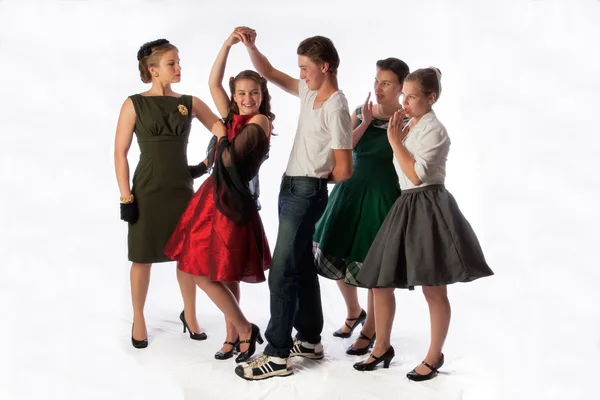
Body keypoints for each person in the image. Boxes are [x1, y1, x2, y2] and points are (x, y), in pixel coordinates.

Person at [352, 68, 494, 381]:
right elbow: (403, 171)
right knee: (379, 279)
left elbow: (417, 174)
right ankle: (382, 347)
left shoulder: (435, 130)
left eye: (412, 96)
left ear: (431, 98)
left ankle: (434, 355)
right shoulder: (408, 123)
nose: (405, 101)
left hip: (428, 204)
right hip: (405, 203)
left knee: (433, 287)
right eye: (405, 95)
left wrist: (393, 141)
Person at [232, 27, 354, 380]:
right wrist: (252, 47)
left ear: (325, 66)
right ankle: (311, 340)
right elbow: (269, 74)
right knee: (299, 265)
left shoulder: (335, 105)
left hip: (306, 191)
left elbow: (344, 169)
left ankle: (278, 354)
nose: (300, 74)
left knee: (282, 270)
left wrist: (313, 181)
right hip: (290, 187)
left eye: (305, 68)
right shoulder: (308, 92)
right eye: (299, 68)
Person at [164, 30, 273, 363]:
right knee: (203, 269)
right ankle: (238, 332)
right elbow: (213, 84)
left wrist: (220, 131)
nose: (247, 98)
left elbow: (229, 159)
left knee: (223, 270)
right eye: (241, 93)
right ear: (235, 93)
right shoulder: (231, 113)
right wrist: (227, 45)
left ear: (261, 94)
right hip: (211, 197)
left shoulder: (260, 121)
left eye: (253, 93)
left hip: (234, 202)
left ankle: (241, 331)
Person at [114, 39, 225, 348]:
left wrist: (206, 162)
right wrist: (126, 197)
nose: (179, 68)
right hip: (147, 191)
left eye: (179, 62)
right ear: (153, 70)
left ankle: (190, 315)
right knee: (141, 256)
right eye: (172, 63)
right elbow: (119, 153)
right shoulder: (134, 103)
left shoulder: (190, 102)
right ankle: (138, 316)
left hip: (181, 191)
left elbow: (222, 130)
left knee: (186, 258)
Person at [313, 58, 409, 357]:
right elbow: (343, 147)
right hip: (348, 194)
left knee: (372, 267)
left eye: (386, 83)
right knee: (336, 253)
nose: (378, 88)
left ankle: (371, 330)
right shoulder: (359, 112)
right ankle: (354, 312)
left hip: (382, 200)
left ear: (402, 87)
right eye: (377, 81)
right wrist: (366, 121)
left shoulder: (408, 120)